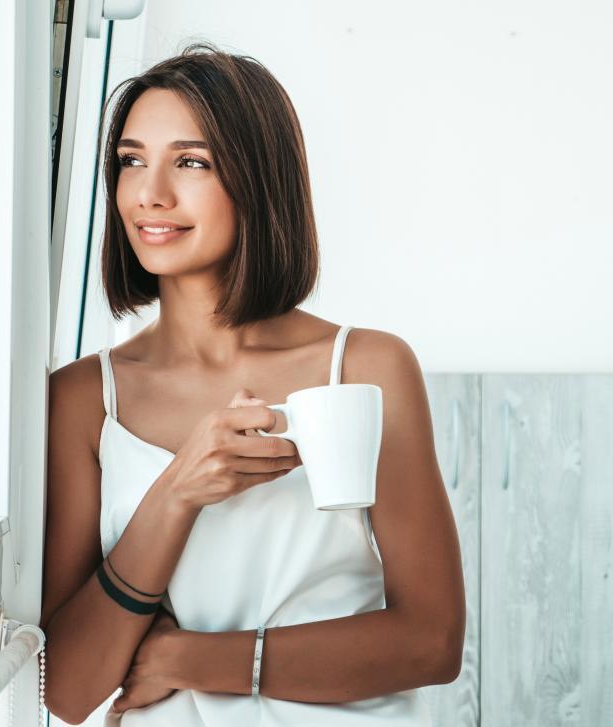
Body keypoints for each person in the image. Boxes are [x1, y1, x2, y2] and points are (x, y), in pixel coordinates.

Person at [40, 42, 465, 725]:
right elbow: (65, 687)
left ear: (258, 178)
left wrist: (192, 658)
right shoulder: (83, 401)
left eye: (190, 161)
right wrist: (177, 491)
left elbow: (434, 641)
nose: (149, 192)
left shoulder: (366, 368)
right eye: (130, 161)